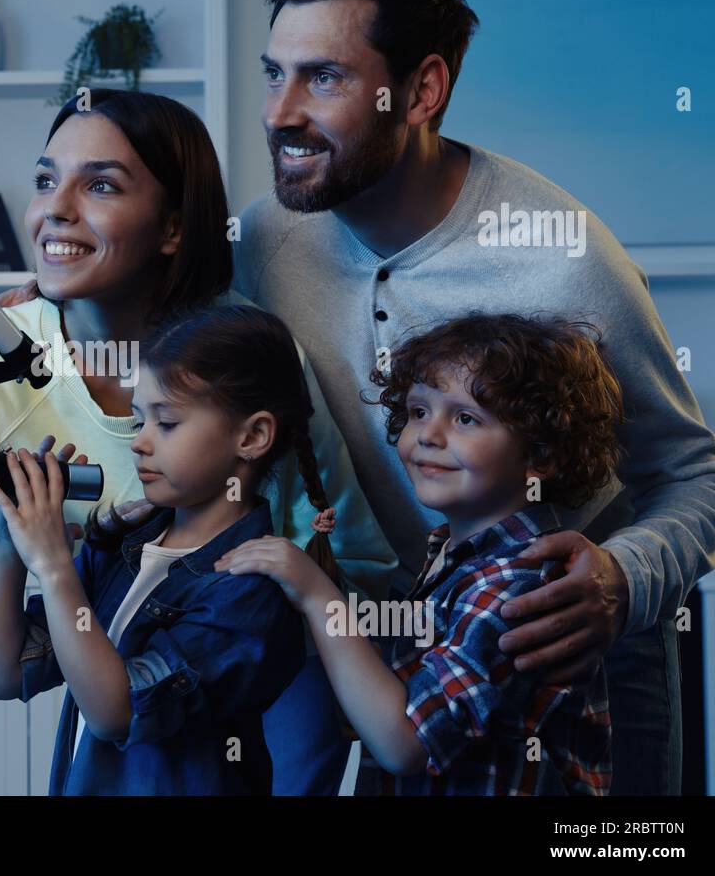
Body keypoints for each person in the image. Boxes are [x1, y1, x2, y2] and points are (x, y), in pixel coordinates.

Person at [0, 0, 715, 794]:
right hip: (392, 660)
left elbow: (697, 475)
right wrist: (42, 299)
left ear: (422, 89)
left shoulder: (563, 258)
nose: (281, 111)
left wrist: (625, 576)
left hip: (582, 659)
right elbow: (169, 305)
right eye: (273, 72)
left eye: (325, 78)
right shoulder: (264, 240)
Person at [0, 89, 400, 794]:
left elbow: (352, 561)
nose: (54, 207)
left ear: (173, 226)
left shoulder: (249, 360)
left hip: (265, 722)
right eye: (46, 179)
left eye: (101, 185)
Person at [217, 313, 622, 794]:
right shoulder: (453, 553)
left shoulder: (519, 584)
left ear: (540, 457)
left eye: (467, 418)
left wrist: (316, 595)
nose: (428, 434)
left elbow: (407, 744)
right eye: (418, 411)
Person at [0, 305, 340, 794]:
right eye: (137, 418)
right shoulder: (126, 548)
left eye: (165, 423)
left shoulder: (250, 588)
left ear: (252, 436)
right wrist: (9, 546)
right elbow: (2, 673)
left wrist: (54, 566)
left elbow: (118, 712)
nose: (139, 443)